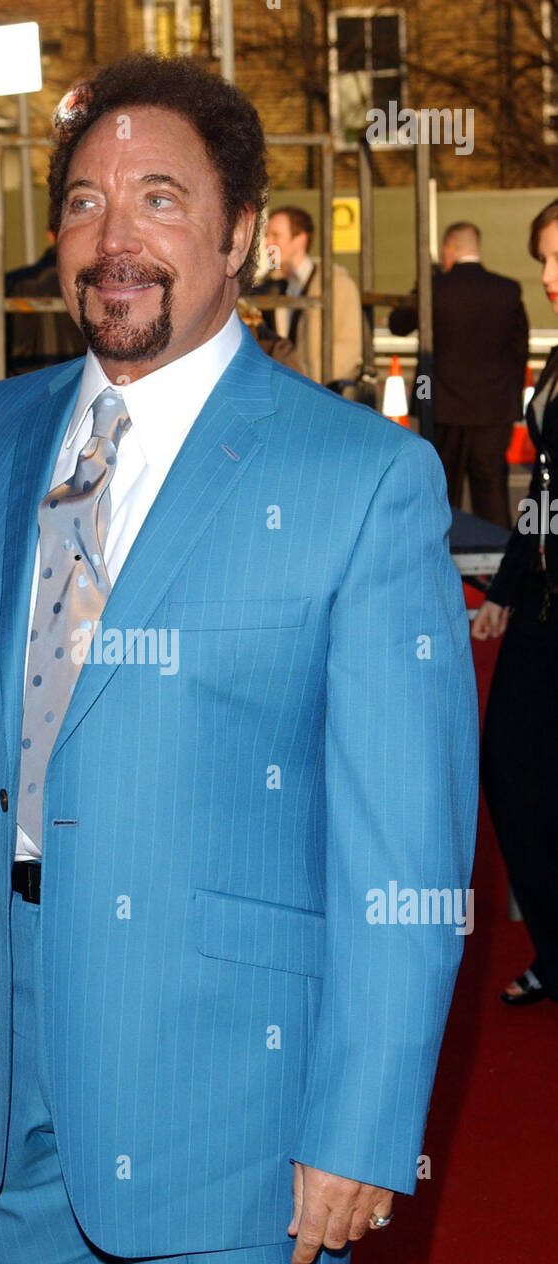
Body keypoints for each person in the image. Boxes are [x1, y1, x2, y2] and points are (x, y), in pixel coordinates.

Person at [0, 55, 479, 1264]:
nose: (113, 240)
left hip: (234, 1106)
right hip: (5, 1069)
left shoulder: (361, 479)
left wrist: (361, 1122)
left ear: (239, 235)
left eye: (161, 201)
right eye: (84, 201)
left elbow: (406, 849)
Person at [472, 199, 558, 1008]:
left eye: (556, 258)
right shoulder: (557, 355)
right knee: (508, 765)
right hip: (538, 605)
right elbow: (541, 489)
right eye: (540, 259)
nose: (546, 277)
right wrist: (503, 586)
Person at [389, 223, 529, 529]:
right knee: (491, 492)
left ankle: (445, 563)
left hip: (443, 407)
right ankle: (499, 565)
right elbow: (520, 348)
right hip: (494, 410)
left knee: (444, 493)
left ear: (449, 248)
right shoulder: (508, 289)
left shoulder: (436, 288)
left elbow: (397, 324)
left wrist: (421, 286)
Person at [0, 235, 85, 379]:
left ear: (49, 234)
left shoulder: (10, 286)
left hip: (26, 392)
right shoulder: (99, 288)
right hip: (82, 394)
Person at [255, 206, 362, 385]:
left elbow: (349, 346)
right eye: (267, 236)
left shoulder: (336, 285)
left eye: (276, 236)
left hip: (318, 391)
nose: (267, 243)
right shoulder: (269, 287)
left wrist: (310, 383)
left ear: (300, 239)